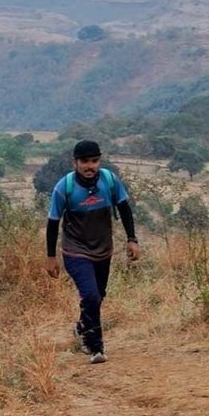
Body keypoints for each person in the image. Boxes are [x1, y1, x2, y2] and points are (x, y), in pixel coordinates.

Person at [46, 139, 139, 363]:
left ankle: (81, 327)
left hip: (103, 249)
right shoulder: (64, 187)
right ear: (75, 162)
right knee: (90, 295)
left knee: (98, 297)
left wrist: (132, 239)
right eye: (85, 161)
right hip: (75, 250)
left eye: (95, 161)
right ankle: (95, 346)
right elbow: (52, 223)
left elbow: (124, 208)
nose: (90, 166)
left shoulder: (109, 180)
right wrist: (51, 257)